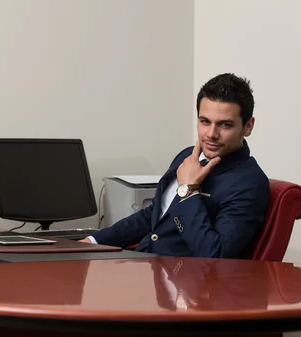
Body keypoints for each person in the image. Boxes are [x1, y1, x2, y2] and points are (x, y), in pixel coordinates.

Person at [80, 73, 270, 259]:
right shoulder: (187, 156)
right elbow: (152, 215)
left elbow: (215, 255)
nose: (211, 134)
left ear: (248, 126)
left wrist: (188, 191)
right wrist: (93, 241)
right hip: (146, 268)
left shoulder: (249, 183)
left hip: (185, 282)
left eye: (225, 125)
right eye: (205, 121)